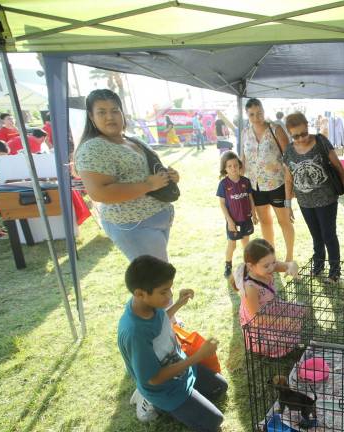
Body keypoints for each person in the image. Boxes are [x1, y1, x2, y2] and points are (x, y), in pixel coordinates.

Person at [118, 255, 228, 430]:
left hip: (181, 371)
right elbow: (154, 378)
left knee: (220, 388)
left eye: (170, 289)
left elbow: (160, 321)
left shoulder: (145, 304)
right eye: (163, 292)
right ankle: (151, 401)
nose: (169, 295)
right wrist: (197, 357)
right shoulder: (135, 333)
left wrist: (178, 304)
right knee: (213, 421)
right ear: (140, 293)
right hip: (164, 390)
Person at [75, 89, 180, 262]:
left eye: (115, 110)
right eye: (102, 112)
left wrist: (168, 177)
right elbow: (99, 193)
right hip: (134, 225)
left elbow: (147, 170)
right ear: (91, 117)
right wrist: (149, 185)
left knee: (158, 275)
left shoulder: (130, 139)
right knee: (154, 279)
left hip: (154, 220)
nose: (110, 117)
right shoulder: (93, 148)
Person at [283, 112, 344, 283]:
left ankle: (335, 273)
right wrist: (287, 203)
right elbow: (288, 178)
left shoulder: (320, 141)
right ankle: (318, 267)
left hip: (326, 199)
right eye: (295, 136)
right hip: (305, 202)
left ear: (307, 125)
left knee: (329, 235)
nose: (300, 139)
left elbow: (339, 167)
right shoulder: (289, 150)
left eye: (303, 133)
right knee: (316, 237)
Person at [241, 98, 295, 263]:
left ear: (264, 111)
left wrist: (290, 188)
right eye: (252, 114)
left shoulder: (275, 129)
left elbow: (289, 157)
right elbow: (244, 159)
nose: (256, 117)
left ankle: (289, 256)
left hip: (277, 184)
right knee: (265, 222)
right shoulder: (245, 132)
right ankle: (270, 256)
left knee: (284, 221)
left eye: (259, 113)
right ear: (247, 115)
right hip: (255, 186)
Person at [233, 239, 304, 358]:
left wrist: (292, 266)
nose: (272, 268)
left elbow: (289, 264)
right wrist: (285, 320)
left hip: (273, 307)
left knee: (302, 309)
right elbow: (257, 319)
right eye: (267, 266)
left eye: (274, 262)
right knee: (284, 339)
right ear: (250, 266)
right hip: (259, 325)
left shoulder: (267, 266)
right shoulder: (250, 287)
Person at [217, 151, 258, 279]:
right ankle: (228, 265)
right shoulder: (223, 184)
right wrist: (229, 221)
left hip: (246, 219)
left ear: (239, 165)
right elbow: (222, 204)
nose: (233, 168)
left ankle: (248, 266)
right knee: (232, 245)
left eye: (235, 165)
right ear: (225, 168)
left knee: (246, 244)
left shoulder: (245, 181)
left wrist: (254, 214)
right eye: (229, 166)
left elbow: (251, 199)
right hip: (233, 222)